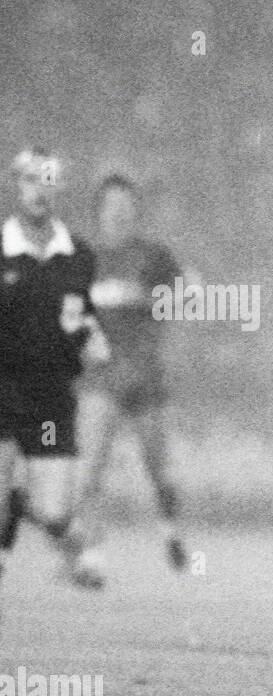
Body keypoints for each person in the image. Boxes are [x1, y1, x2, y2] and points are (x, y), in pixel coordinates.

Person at [0, 147, 110, 601]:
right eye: (30, 180)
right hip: (3, 389)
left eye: (48, 181)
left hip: (52, 398)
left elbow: (81, 315)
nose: (38, 191)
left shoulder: (78, 255)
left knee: (53, 512)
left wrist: (93, 337)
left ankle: (26, 507)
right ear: (15, 184)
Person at [74, 173, 190, 579]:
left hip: (146, 380)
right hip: (99, 380)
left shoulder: (154, 257)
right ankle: (91, 555)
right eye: (113, 206)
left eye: (126, 206)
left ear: (135, 211)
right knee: (90, 470)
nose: (120, 213)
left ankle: (171, 533)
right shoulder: (82, 258)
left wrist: (149, 299)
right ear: (101, 213)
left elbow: (185, 296)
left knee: (160, 471)